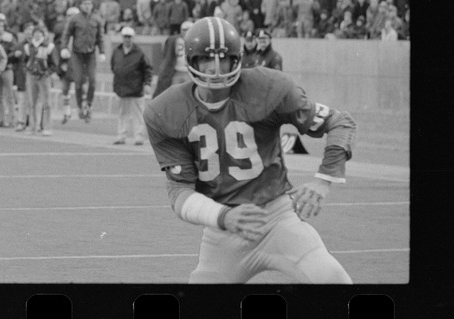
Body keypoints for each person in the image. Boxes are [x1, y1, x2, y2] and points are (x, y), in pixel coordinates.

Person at [144, 16, 355, 284]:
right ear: (192, 61)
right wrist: (223, 216)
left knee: (334, 280)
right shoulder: (165, 110)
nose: (217, 70)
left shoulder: (268, 87)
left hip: (277, 218)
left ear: (238, 59)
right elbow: (179, 192)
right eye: (208, 59)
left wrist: (324, 179)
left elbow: (340, 122)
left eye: (225, 58)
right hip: (223, 229)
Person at [61, 0, 105, 123]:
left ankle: (89, 104)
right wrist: (64, 47)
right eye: (85, 3)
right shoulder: (75, 19)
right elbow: (66, 34)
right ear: (80, 5)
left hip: (90, 53)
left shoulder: (97, 19)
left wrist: (102, 51)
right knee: (78, 80)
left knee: (93, 80)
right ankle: (80, 105)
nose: (87, 6)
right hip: (77, 53)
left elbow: (100, 37)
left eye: (89, 3)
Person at [110, 27, 153, 145]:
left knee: (138, 114)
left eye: (129, 37)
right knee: (122, 114)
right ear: (122, 38)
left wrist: (147, 84)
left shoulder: (140, 52)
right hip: (121, 88)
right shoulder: (117, 51)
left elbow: (147, 69)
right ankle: (121, 135)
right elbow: (113, 66)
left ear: (133, 38)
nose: (127, 39)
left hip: (136, 88)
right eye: (125, 37)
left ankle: (139, 136)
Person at [23, 25, 58, 135]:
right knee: (32, 102)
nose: (37, 35)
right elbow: (25, 62)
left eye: (40, 33)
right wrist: (29, 70)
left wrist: (46, 73)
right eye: (35, 33)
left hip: (44, 76)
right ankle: (33, 126)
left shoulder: (49, 47)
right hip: (32, 76)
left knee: (46, 102)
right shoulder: (28, 47)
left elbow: (54, 63)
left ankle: (47, 126)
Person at [152, 19, 193, 97]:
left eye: (189, 30)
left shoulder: (196, 41)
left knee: (190, 95)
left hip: (190, 72)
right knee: (174, 94)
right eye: (184, 30)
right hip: (177, 71)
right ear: (180, 30)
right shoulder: (173, 40)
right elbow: (166, 56)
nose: (186, 32)